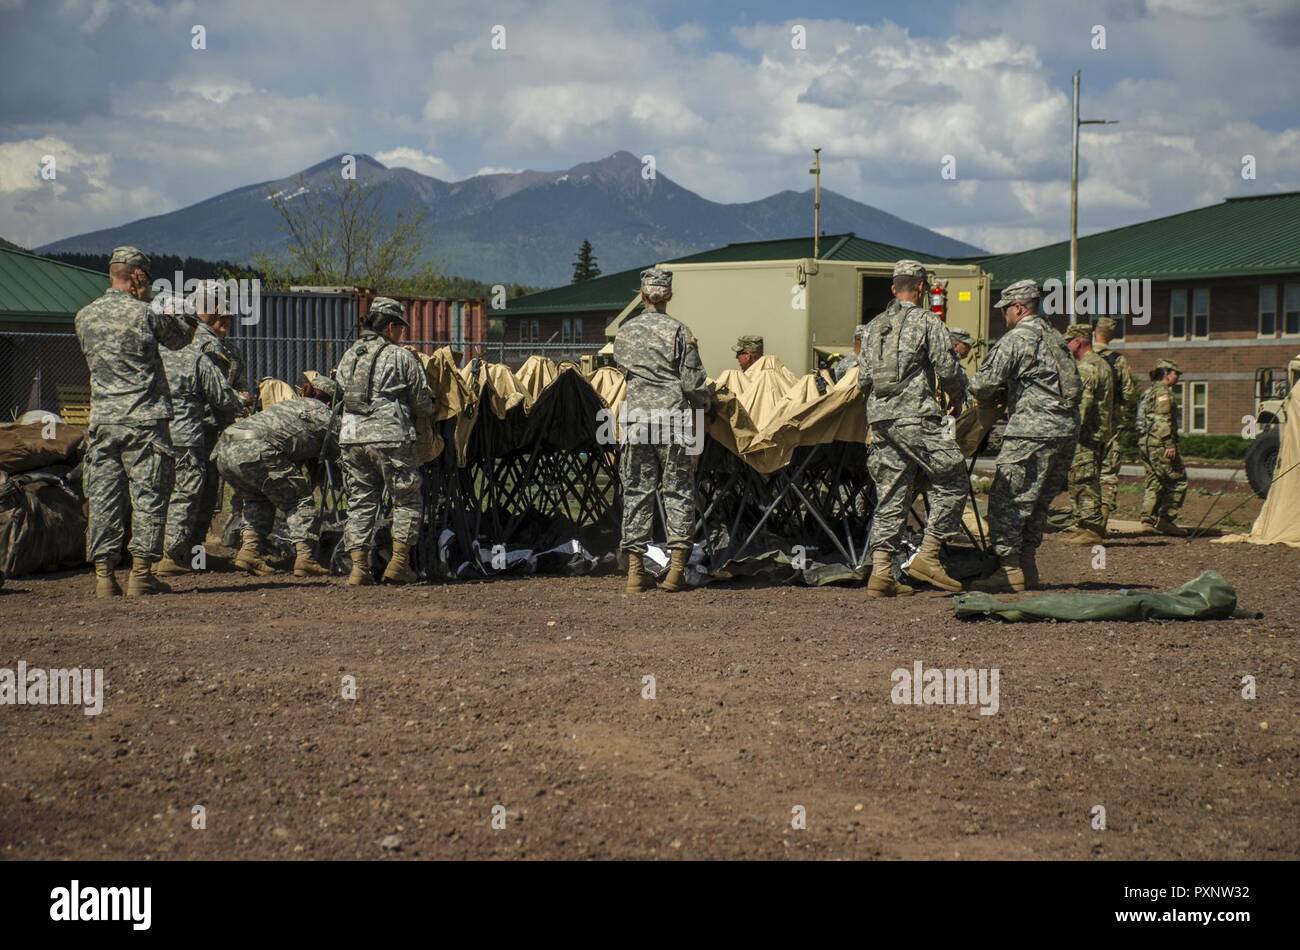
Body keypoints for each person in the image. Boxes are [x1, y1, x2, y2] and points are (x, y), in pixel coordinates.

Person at [74, 246, 196, 597]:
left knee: (104, 498)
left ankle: (104, 576)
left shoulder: (84, 316)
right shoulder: (146, 313)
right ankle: (141, 574)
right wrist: (152, 299)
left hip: (102, 422)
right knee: (149, 496)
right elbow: (181, 337)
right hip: (144, 422)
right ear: (138, 275)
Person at [858, 260, 967, 597]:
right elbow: (947, 368)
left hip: (880, 421)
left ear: (894, 288)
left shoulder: (872, 328)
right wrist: (958, 396)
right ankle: (928, 555)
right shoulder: (927, 321)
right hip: (916, 417)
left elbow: (863, 380)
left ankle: (881, 573)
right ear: (921, 288)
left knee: (892, 493)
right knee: (954, 477)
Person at [968, 279, 1081, 592]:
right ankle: (1027, 566)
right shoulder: (1056, 337)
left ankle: (1009, 570)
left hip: (1031, 430)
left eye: (1005, 309)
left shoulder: (1018, 338)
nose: (1003, 315)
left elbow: (981, 384)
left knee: (1008, 500)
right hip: (1065, 431)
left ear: (1018, 307)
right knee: (1038, 501)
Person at [614, 268, 711, 593]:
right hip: (673, 421)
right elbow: (692, 383)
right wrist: (706, 403)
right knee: (678, 490)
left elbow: (622, 370)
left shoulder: (625, 332)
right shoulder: (680, 332)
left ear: (642, 295)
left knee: (636, 491)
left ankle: (635, 572)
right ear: (669, 295)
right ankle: (676, 571)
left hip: (637, 421)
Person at [336, 297, 436, 585]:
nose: (402, 333)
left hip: (351, 437)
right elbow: (421, 404)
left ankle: (359, 569)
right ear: (390, 327)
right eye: (401, 327)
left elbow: (340, 390)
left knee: (360, 501)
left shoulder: (349, 355)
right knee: (406, 498)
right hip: (391, 437)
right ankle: (399, 564)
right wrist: (434, 407)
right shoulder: (400, 357)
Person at [155, 292, 248, 576]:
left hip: (157, 433)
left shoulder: (150, 355)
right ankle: (173, 556)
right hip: (192, 434)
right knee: (190, 494)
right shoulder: (196, 356)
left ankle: (162, 556)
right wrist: (242, 401)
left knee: (158, 493)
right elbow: (222, 397)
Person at [212, 376, 339, 576]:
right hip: (256, 449)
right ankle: (305, 558)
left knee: (256, 498)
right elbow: (343, 448)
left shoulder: (289, 404)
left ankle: (249, 553)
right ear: (331, 401)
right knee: (299, 500)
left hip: (224, 449)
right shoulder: (321, 411)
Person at [1061, 323, 1114, 545]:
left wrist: (1068, 432)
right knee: (1085, 478)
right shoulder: (1101, 364)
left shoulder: (1087, 367)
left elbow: (1082, 406)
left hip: (1085, 436)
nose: (1065, 345)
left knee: (1083, 480)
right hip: (1097, 434)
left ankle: (1092, 529)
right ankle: (1084, 526)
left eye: (1068, 341)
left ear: (1078, 341)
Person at [1091, 317, 1139, 530]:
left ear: (1095, 332)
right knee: (1108, 472)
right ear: (1112, 336)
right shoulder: (1118, 360)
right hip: (1110, 424)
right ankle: (1101, 520)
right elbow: (1128, 394)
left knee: (1085, 471)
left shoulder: (1084, 357)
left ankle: (1084, 519)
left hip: (1086, 424)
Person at [1137, 359, 1188, 536]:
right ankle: (1166, 520)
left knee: (1155, 480)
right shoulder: (1163, 392)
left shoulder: (1149, 391)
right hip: (1159, 444)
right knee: (1178, 480)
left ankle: (1147, 521)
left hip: (1146, 443)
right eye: (1176, 373)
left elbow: (1140, 420)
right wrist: (1169, 443)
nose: (1178, 377)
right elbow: (1162, 419)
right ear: (1166, 373)